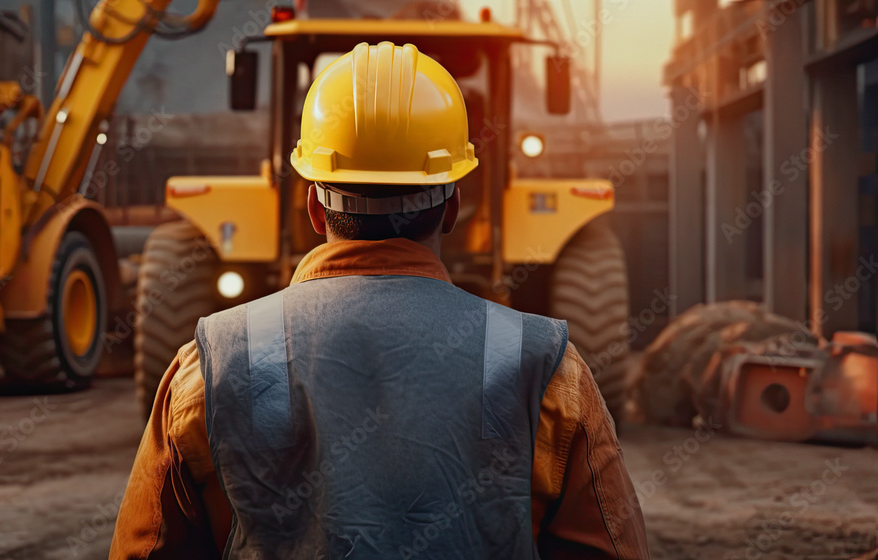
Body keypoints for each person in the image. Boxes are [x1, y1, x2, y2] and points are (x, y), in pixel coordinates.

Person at [110, 41, 648, 559]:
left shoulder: (211, 369)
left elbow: (144, 549)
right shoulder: (545, 371)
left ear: (315, 210)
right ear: (453, 206)